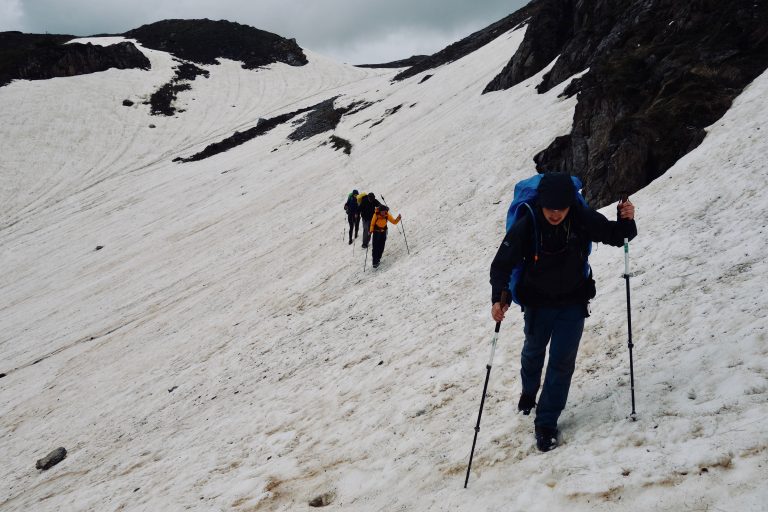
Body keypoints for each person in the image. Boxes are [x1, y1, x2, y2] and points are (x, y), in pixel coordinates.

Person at [489, 172, 636, 452]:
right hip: (537, 304)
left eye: (561, 208)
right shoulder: (528, 222)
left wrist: (626, 220)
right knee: (533, 352)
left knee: (562, 363)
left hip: (573, 302)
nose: (555, 214)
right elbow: (501, 265)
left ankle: (546, 424)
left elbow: (618, 236)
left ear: (570, 203)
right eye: (550, 208)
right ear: (541, 203)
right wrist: (499, 298)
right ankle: (528, 393)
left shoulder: (581, 217)